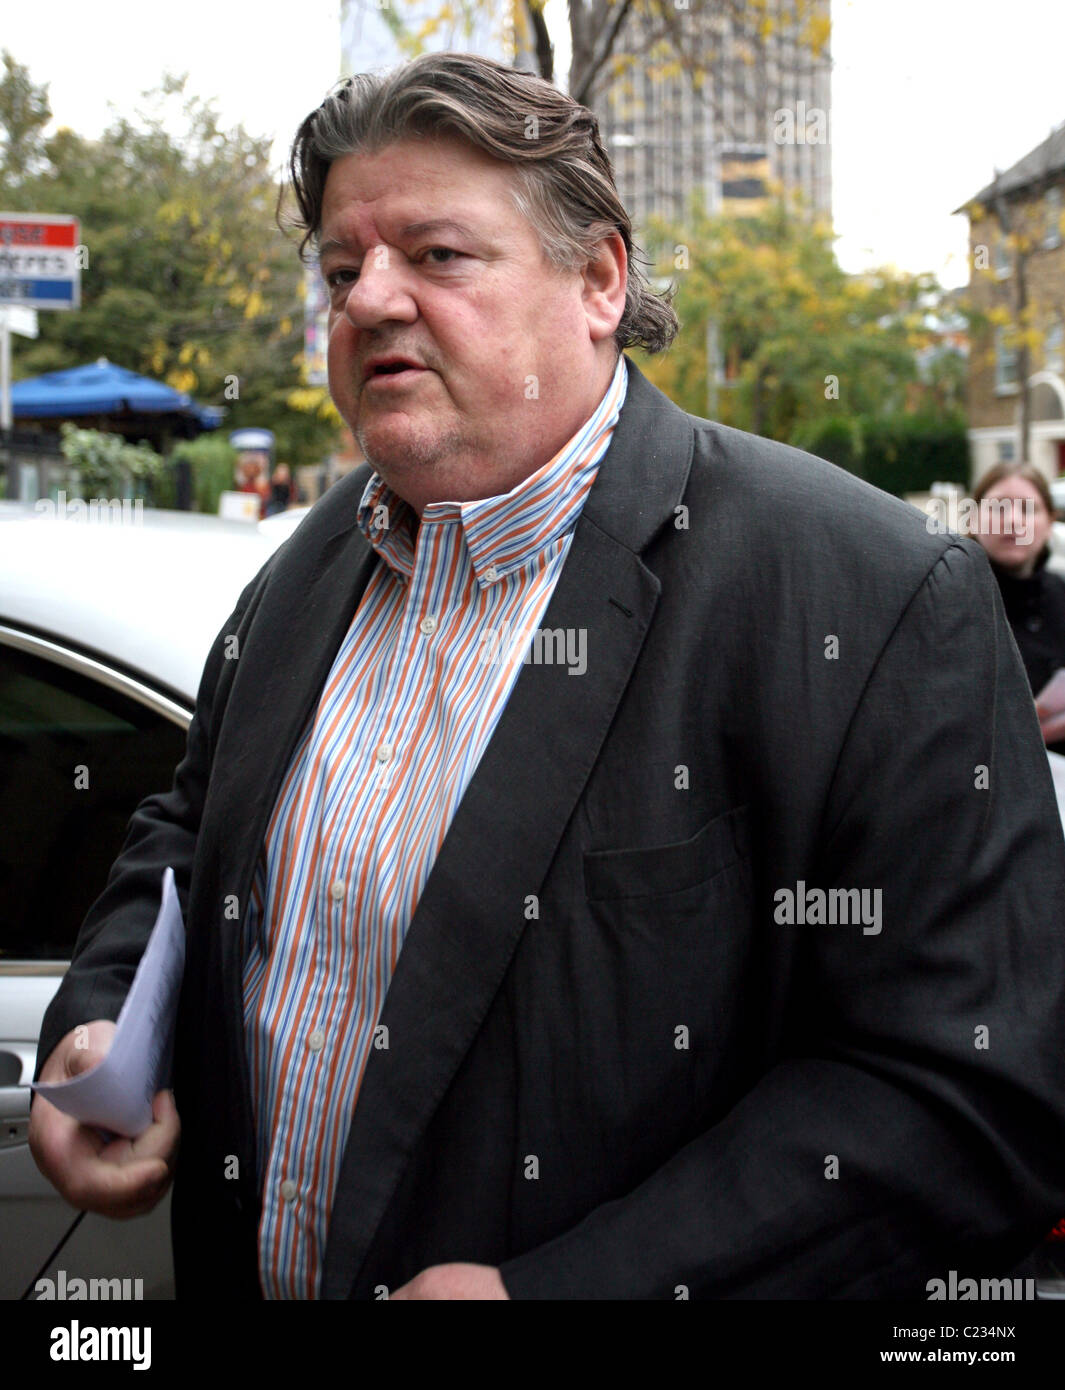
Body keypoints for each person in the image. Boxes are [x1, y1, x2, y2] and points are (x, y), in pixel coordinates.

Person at [29, 52, 1065, 1301]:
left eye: (438, 256)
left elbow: (965, 1089)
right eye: (344, 269)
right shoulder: (311, 561)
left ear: (599, 279)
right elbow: (184, 834)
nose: (369, 302)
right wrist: (101, 1028)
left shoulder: (872, 593)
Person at [970, 463, 1065, 754]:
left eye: (1028, 510)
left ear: (1050, 521)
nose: (1012, 520)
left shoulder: (1061, 594)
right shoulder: (946, 601)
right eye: (998, 508)